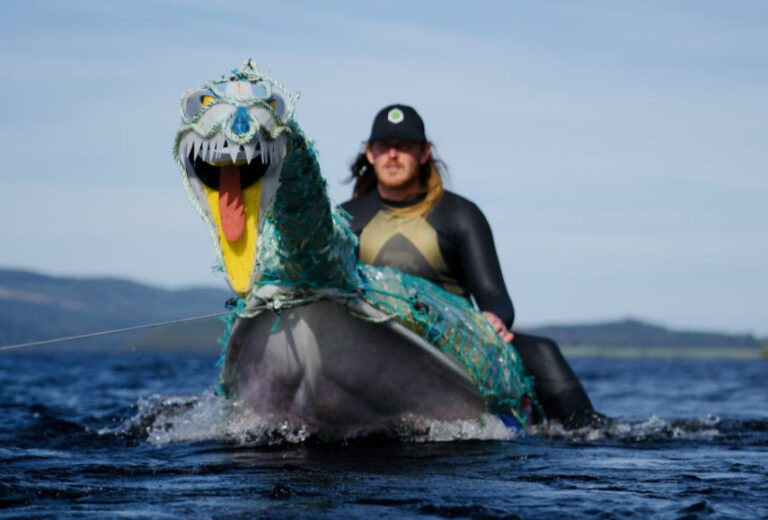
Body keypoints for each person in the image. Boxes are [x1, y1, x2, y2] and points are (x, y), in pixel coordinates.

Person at [341, 104, 599, 425]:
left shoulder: (460, 215)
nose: (393, 154)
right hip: (370, 340)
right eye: (384, 147)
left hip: (455, 344)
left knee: (542, 351)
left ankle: (590, 433)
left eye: (404, 147)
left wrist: (496, 317)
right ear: (369, 153)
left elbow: (494, 296)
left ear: (424, 154)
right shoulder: (343, 219)